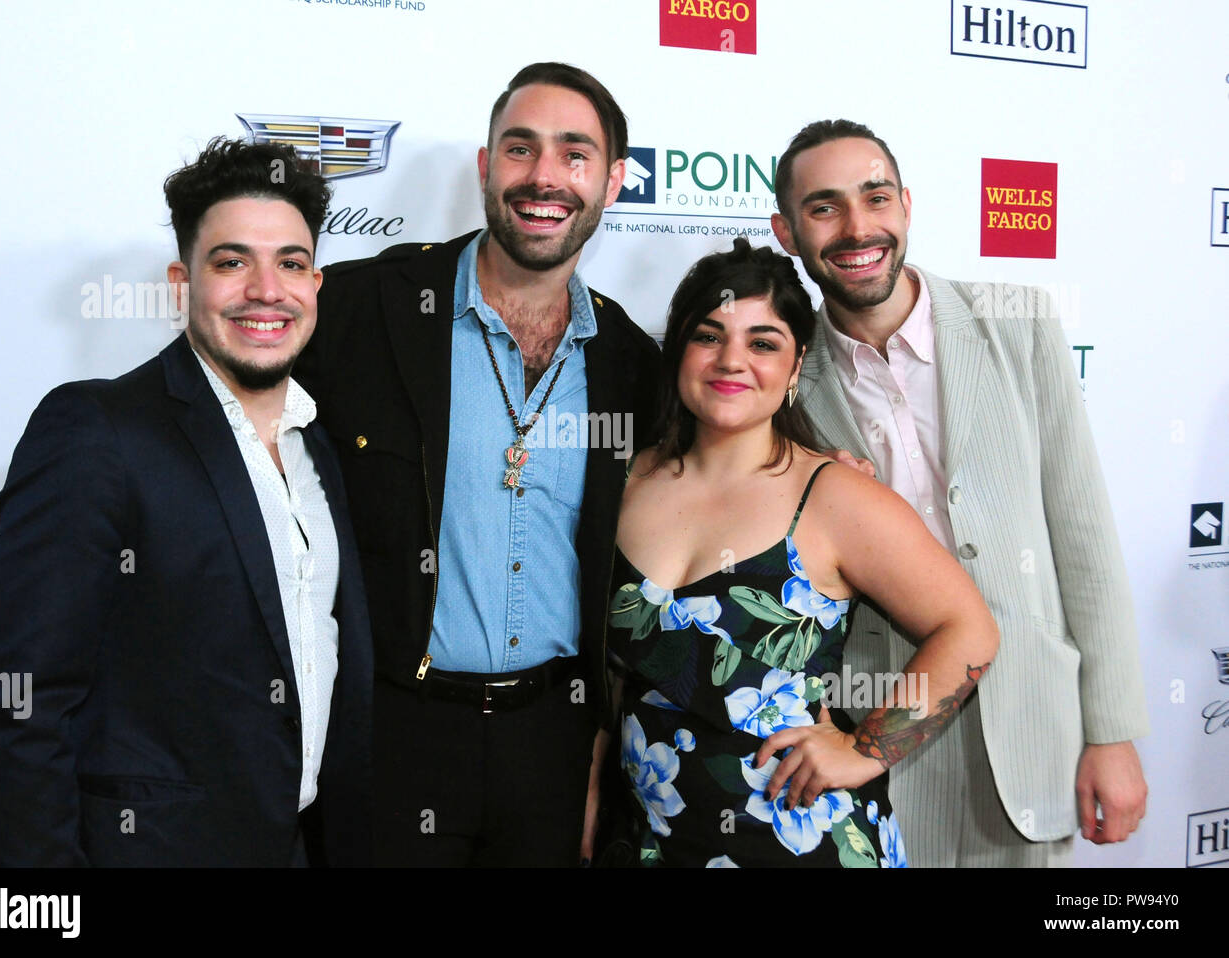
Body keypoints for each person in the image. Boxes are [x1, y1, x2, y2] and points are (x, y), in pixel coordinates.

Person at [0, 138, 374, 867]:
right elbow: (18, 706)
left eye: (289, 263)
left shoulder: (320, 443)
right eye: (231, 261)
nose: (265, 289)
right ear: (181, 281)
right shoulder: (98, 431)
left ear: (315, 283)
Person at [293, 62, 661, 866]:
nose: (545, 177)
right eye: (520, 149)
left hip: (556, 741)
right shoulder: (360, 309)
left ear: (614, 181)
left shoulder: (634, 362)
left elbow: (715, 479)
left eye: (575, 153)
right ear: (488, 167)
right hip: (393, 732)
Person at [769, 119, 1149, 867]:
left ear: (905, 205)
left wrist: (1112, 732)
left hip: (1032, 730)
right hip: (879, 732)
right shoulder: (783, 377)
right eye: (823, 207)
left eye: (875, 197)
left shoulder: (1019, 323)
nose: (857, 228)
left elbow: (1084, 535)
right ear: (787, 231)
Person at [600, 238, 998, 866]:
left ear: (795, 364)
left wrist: (864, 750)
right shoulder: (623, 479)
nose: (732, 360)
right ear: (677, 348)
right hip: (656, 837)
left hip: (803, 837)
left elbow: (969, 631)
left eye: (763, 343)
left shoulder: (834, 494)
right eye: (709, 336)